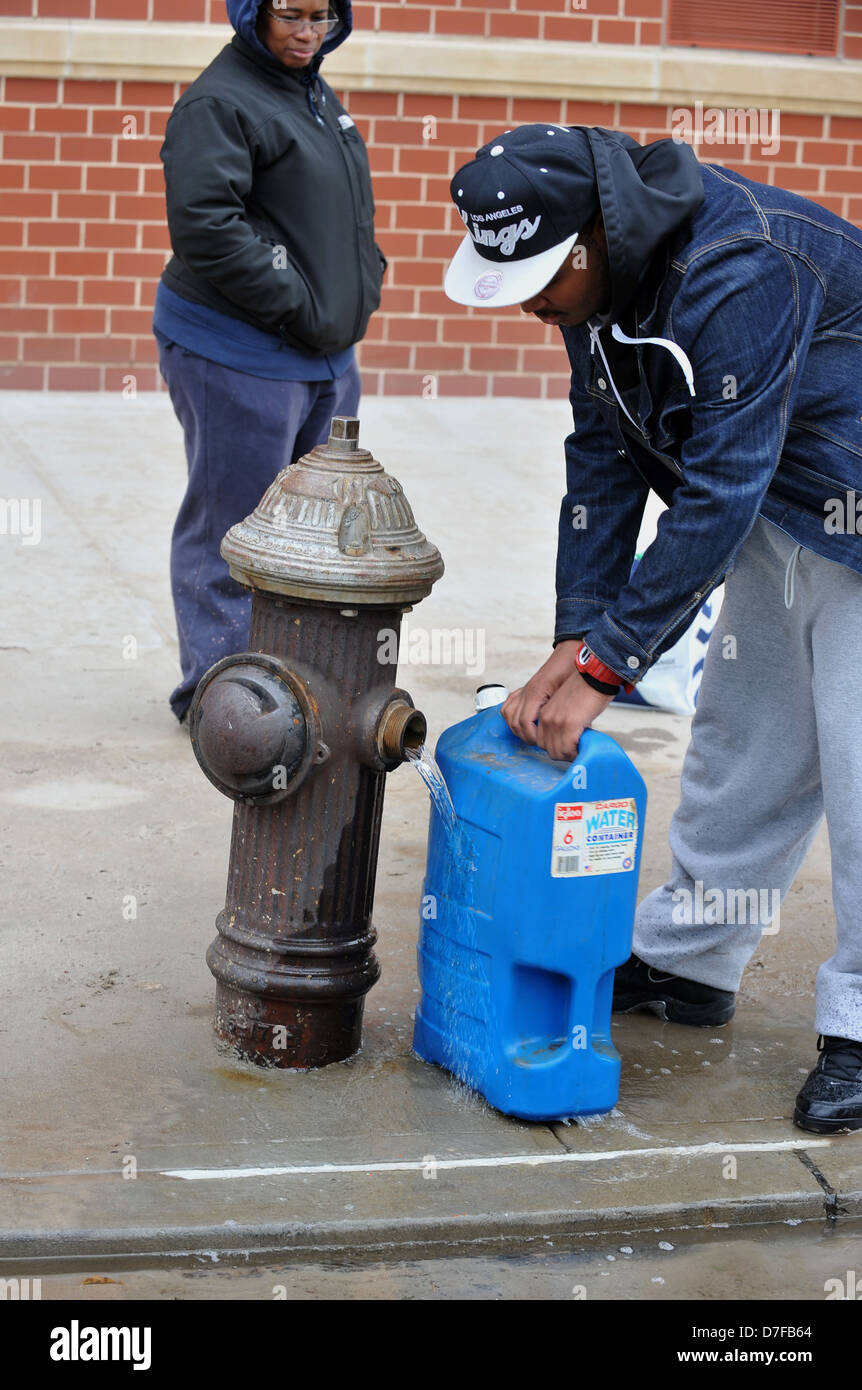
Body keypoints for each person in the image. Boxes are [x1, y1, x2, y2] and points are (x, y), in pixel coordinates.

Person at [443, 123, 862, 1134]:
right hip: (785, 502)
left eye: (545, 280)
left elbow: (717, 485)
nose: (537, 305)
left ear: (593, 234)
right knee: (744, 740)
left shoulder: (742, 263)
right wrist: (576, 629)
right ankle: (687, 961)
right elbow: (604, 451)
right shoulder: (601, 280)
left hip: (828, 497)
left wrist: (608, 664)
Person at [153, 0, 385, 722]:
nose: (308, 31)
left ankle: (291, 685)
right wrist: (296, 300)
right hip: (236, 352)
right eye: (290, 13)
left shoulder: (310, 89)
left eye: (322, 14)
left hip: (322, 358)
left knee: (313, 531)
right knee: (234, 527)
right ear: (253, 12)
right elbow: (207, 230)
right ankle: (222, 701)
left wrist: (363, 277)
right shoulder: (220, 102)